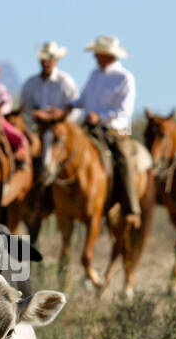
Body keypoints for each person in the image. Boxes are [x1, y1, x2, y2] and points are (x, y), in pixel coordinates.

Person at [62, 35, 142, 225]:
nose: (95, 57)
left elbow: (123, 111)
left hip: (113, 131)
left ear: (107, 55)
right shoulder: (94, 75)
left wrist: (100, 116)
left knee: (124, 160)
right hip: (88, 128)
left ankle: (131, 207)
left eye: (97, 54)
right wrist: (69, 106)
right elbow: (83, 99)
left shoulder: (125, 78)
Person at [19, 41, 78, 182]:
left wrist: (60, 116)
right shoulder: (31, 83)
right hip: (36, 129)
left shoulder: (65, 82)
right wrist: (34, 114)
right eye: (43, 59)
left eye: (49, 59)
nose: (46, 62)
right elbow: (24, 108)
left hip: (60, 128)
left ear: (56, 60)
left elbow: (75, 108)